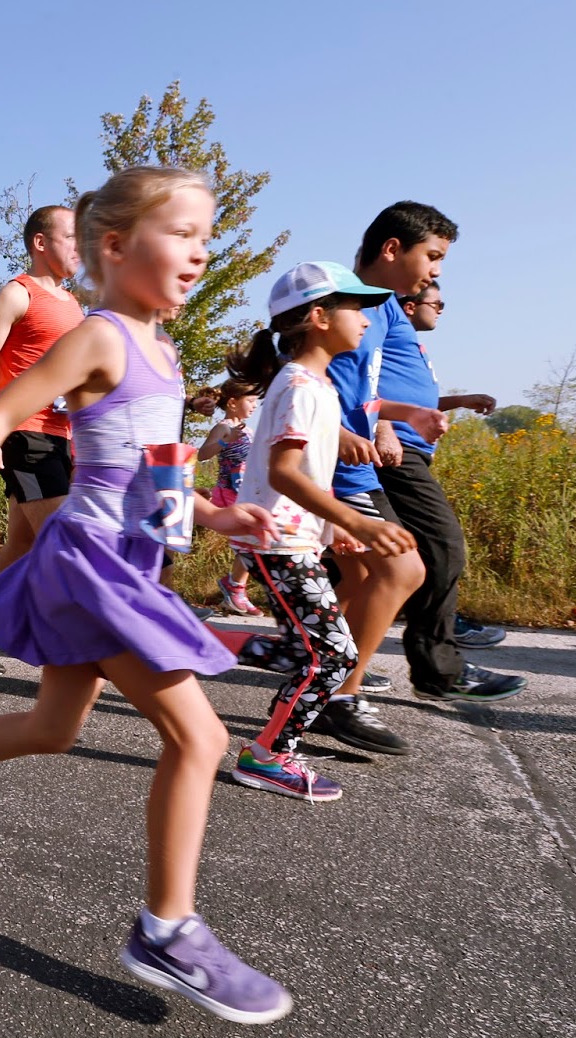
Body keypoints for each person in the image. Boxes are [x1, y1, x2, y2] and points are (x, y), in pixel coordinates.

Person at [0, 168, 291, 1025]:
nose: (203, 250)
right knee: (201, 736)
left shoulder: (163, 347)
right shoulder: (100, 335)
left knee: (52, 728)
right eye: (184, 233)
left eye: (206, 235)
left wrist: (220, 518)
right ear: (114, 247)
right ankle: (167, 929)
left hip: (130, 562)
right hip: (92, 562)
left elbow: (155, 469)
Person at [223, 262, 418, 799]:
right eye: (354, 308)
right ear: (318, 317)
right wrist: (352, 518)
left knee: (303, 651)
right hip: (278, 541)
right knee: (333, 655)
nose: (365, 319)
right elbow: (283, 471)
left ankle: (187, 640)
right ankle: (267, 756)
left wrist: (335, 532)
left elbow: (308, 473)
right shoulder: (303, 387)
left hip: (293, 538)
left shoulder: (315, 385)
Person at [334, 202, 525, 707]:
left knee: (383, 568)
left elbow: (378, 380)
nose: (437, 270)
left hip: (398, 444)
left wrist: (431, 408)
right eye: (434, 255)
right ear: (393, 248)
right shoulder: (360, 306)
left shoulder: (386, 306)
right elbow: (336, 376)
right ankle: (430, 669)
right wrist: (386, 422)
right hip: (383, 450)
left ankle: (336, 675)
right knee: (435, 550)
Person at [0, 204, 85, 675]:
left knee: (23, 544)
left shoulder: (73, 304)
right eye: (72, 236)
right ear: (41, 242)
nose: (81, 246)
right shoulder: (15, 295)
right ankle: (64, 644)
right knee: (66, 541)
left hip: (63, 436)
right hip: (25, 435)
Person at [391, 283, 507, 650]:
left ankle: (339, 650)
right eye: (436, 302)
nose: (441, 309)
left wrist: (459, 400)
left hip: (410, 450)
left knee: (400, 555)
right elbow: (366, 387)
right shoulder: (385, 332)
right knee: (442, 542)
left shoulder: (410, 342)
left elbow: (413, 399)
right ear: (409, 306)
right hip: (396, 451)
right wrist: (381, 429)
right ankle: (439, 639)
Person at [197, 380, 264, 617]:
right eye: (251, 401)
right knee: (251, 539)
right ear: (233, 403)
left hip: (247, 490)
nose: (255, 406)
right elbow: (202, 454)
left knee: (253, 539)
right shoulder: (224, 427)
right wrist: (227, 440)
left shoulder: (248, 429)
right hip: (229, 492)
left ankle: (235, 588)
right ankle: (235, 588)